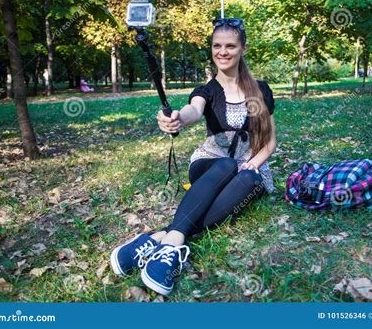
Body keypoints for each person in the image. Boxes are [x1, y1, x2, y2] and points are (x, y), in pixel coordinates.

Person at [110, 17, 277, 296]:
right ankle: (175, 243)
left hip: (247, 163)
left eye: (230, 46)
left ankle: (161, 237)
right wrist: (176, 118)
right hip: (211, 164)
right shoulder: (207, 90)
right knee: (225, 164)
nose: (222, 52)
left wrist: (254, 163)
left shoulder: (259, 89)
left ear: (243, 49)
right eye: (217, 46)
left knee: (248, 179)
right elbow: (193, 111)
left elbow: (270, 141)